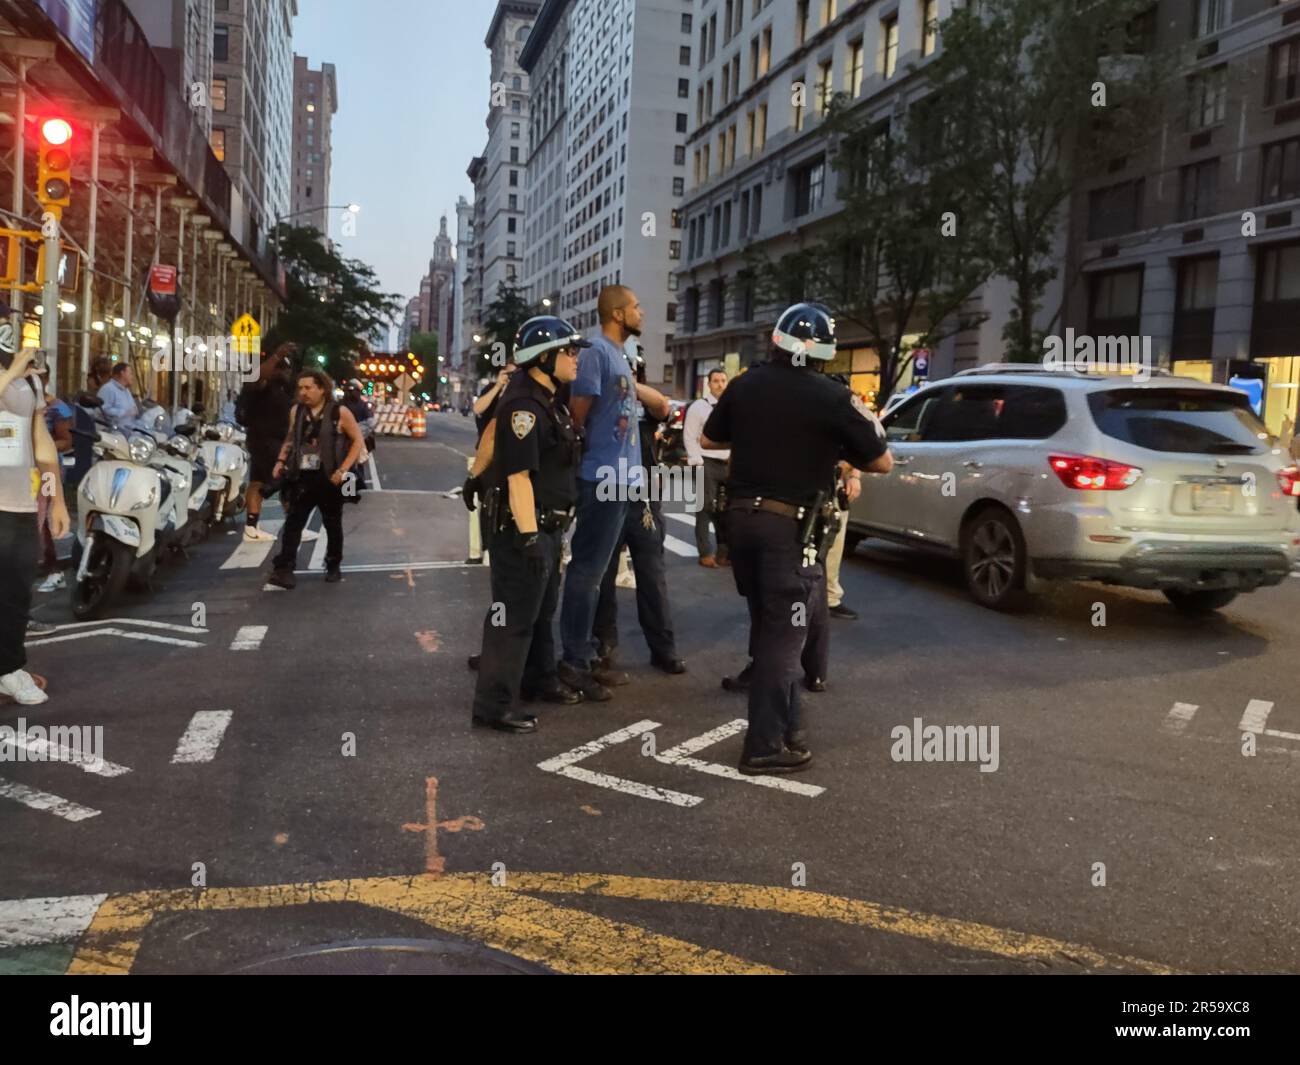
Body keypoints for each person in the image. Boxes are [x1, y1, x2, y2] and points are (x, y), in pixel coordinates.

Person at [700, 302, 892, 776]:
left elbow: (707, 439)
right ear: (825, 353)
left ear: (776, 343)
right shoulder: (831, 397)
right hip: (788, 531)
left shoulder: (745, 385)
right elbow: (881, 460)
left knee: (769, 627)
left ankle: (790, 729)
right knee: (784, 641)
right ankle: (764, 745)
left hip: (740, 523)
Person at [471, 316, 588, 732]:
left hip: (549, 525)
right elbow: (519, 477)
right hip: (525, 525)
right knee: (513, 617)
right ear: (544, 356)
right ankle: (494, 705)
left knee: (541, 610)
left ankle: (539, 680)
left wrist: (474, 475)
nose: (576, 359)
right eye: (569, 351)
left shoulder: (547, 396)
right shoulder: (525, 405)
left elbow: (489, 438)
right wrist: (529, 536)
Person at [557, 285, 670, 699]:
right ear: (619, 315)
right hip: (602, 478)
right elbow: (577, 418)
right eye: (637, 307)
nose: (642, 311)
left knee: (599, 572)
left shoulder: (620, 357)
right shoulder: (595, 353)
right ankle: (573, 661)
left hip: (625, 481)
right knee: (587, 572)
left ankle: (586, 655)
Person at [593, 345, 685, 676]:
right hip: (606, 490)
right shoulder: (602, 399)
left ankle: (663, 649)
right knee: (602, 576)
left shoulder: (646, 399)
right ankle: (602, 645)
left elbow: (663, 407)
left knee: (652, 576)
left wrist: (631, 383)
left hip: (643, 496)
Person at [0, 333, 70, 705]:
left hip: (17, 503)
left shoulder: (27, 378)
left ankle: (8, 668)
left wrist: (56, 500)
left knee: (13, 591)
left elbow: (40, 440)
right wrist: (11, 371)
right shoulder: (15, 372)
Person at [266, 369, 365, 588]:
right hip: (302, 477)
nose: (303, 392)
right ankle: (285, 568)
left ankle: (333, 565)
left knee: (332, 523)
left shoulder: (339, 413)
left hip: (330, 478)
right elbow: (291, 438)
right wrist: (280, 461)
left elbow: (358, 440)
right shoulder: (297, 411)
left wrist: (343, 470)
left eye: (308, 387)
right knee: (293, 522)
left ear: (322, 389)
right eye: (300, 388)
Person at [235, 345, 297, 543]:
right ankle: (293, 527)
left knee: (257, 481)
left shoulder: (279, 389)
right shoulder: (260, 386)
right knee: (287, 479)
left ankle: (251, 528)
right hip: (265, 440)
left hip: (267, 440)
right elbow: (256, 378)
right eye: (284, 368)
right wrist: (277, 354)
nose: (287, 373)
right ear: (275, 369)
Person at [684, 368, 730, 568]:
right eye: (716, 381)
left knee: (726, 510)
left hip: (728, 463)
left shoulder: (731, 407)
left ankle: (724, 553)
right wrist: (697, 461)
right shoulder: (699, 407)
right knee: (704, 508)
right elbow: (690, 435)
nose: (720, 384)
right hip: (706, 461)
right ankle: (705, 553)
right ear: (709, 384)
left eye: (723, 380)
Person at [34, 367, 73, 593]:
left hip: (49, 470)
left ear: (46, 379)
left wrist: (41, 445)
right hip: (27, 472)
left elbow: (66, 441)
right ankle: (52, 569)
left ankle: (53, 570)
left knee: (45, 520)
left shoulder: (57, 407)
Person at [97, 361, 139, 428]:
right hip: (114, 433)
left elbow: (133, 409)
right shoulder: (108, 389)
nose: (132, 377)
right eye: (130, 374)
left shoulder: (126, 390)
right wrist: (124, 412)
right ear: (122, 373)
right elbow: (102, 410)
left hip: (130, 430)